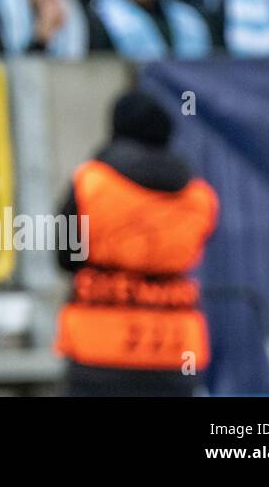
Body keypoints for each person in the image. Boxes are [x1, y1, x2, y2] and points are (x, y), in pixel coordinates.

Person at [55, 90, 219, 397]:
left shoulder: (90, 181)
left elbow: (65, 257)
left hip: (99, 351)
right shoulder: (199, 195)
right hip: (174, 350)